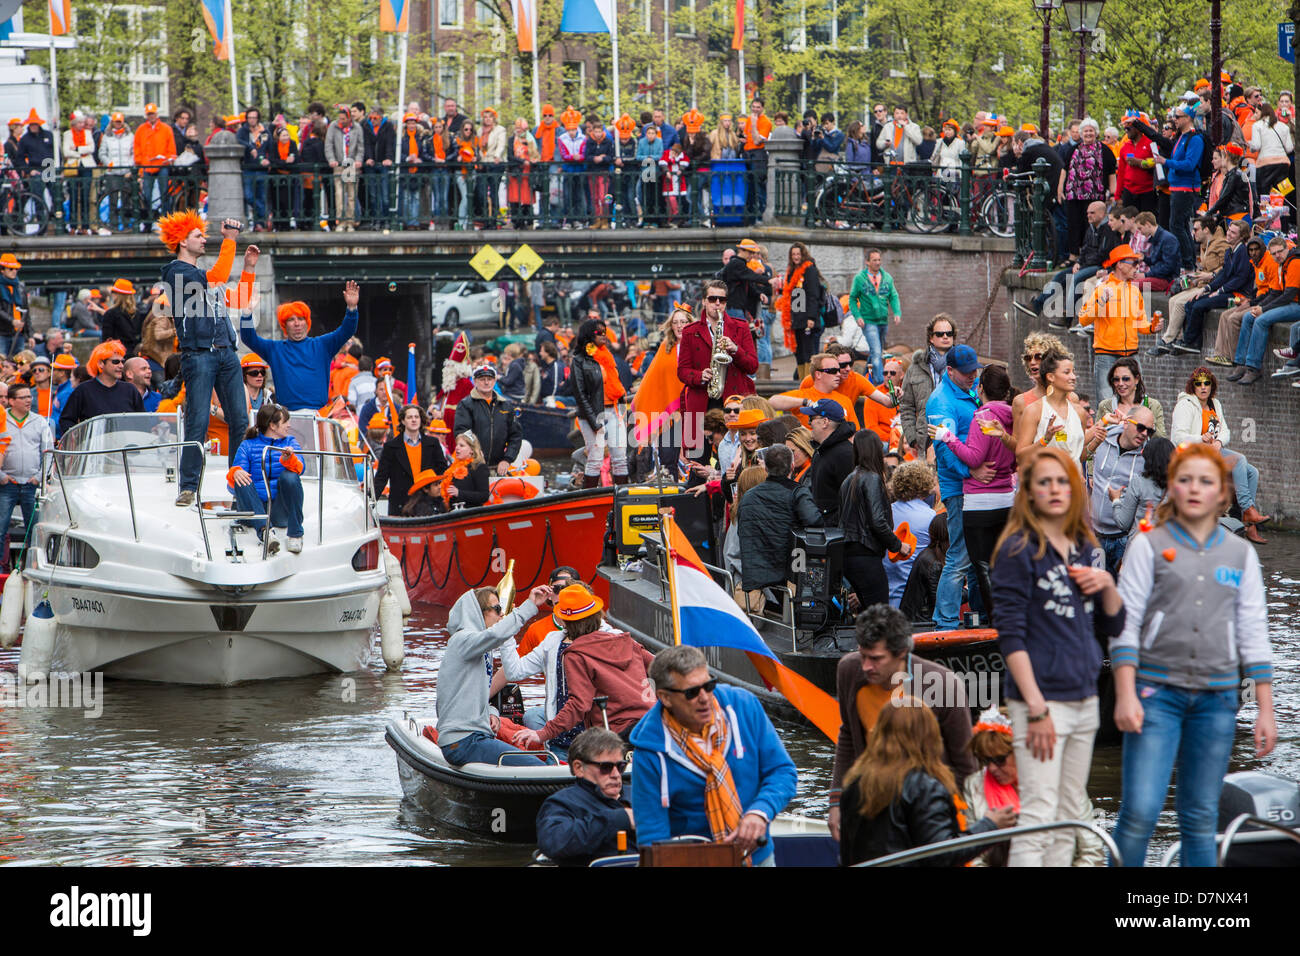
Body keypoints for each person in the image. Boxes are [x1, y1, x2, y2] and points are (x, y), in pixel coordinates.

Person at [1111, 443, 1276, 867]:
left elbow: (1253, 629)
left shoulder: (1241, 554)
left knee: (1201, 819)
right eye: (1185, 480)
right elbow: (1125, 623)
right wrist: (1126, 693)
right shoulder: (1148, 545)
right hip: (1156, 693)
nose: (1195, 489)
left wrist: (1265, 708)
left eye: (1206, 481)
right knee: (1141, 811)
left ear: (1223, 494)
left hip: (1217, 698)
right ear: (1173, 488)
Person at [990, 446, 1124, 867]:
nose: (1054, 489)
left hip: (1084, 697)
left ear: (1074, 490)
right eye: (1043, 482)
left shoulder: (1085, 547)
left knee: (1069, 818)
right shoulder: (1017, 550)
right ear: (1028, 492)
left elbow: (1114, 626)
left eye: (1062, 481)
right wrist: (1035, 708)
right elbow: (1010, 636)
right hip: (1043, 700)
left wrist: (1106, 583)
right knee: (1039, 813)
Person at [630, 644, 797, 866]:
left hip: (756, 857)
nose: (705, 698)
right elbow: (652, 836)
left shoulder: (744, 707)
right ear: (665, 698)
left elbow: (782, 772)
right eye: (692, 692)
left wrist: (759, 812)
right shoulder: (650, 751)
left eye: (709, 685)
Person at [828, 604, 977, 842]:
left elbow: (965, 764)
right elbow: (847, 734)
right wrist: (836, 801)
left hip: (927, 810)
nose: (866, 666)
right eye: (862, 655)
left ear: (901, 653)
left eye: (876, 659)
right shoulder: (848, 670)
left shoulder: (943, 684)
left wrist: (952, 820)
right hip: (872, 802)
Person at [839, 695, 1014, 867]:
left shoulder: (854, 785)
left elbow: (846, 858)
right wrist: (989, 825)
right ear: (927, 737)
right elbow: (941, 854)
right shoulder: (924, 787)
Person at [158, 211, 257, 508]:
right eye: (198, 236)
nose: (204, 239)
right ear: (181, 241)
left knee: (240, 419)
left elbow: (240, 300)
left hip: (226, 352)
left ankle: (238, 483)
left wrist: (249, 267)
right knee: (198, 421)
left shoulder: (201, 274)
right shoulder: (176, 271)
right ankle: (189, 487)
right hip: (198, 354)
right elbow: (217, 277)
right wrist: (230, 241)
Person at [511, 585, 655, 754]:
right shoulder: (626, 641)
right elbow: (662, 667)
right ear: (597, 615)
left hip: (617, 736)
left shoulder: (575, 654)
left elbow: (579, 704)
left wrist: (543, 734)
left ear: (564, 621)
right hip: (652, 722)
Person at [961, 708, 1106, 866]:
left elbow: (1092, 851)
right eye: (985, 760)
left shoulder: (1063, 782)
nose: (992, 768)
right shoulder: (974, 785)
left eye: (999, 759)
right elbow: (973, 857)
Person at [927, 363, 1015, 617]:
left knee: (980, 564)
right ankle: (989, 617)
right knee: (998, 563)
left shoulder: (984, 416)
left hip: (981, 502)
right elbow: (1017, 456)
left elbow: (974, 458)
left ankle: (993, 621)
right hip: (1006, 499)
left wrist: (948, 437)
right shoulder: (1014, 415)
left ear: (981, 388)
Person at [436, 582, 555, 767]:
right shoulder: (462, 640)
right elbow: (496, 635)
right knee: (537, 767)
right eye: (497, 609)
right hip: (464, 741)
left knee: (541, 760)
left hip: (477, 735)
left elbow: (476, 694)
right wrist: (530, 606)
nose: (501, 614)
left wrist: (491, 712)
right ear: (478, 612)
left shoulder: (480, 648)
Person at [926, 344, 991, 629]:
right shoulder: (940, 401)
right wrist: (973, 470)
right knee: (960, 556)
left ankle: (979, 615)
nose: (972, 376)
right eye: (966, 373)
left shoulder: (970, 386)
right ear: (949, 371)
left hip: (975, 485)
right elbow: (944, 449)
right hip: (960, 487)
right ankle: (945, 623)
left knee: (978, 557)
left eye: (975, 370)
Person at [1169, 367, 1268, 542]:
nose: (1202, 387)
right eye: (1198, 383)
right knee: (1239, 460)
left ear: (1212, 385)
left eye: (1206, 383)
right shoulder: (1185, 405)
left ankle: (1248, 524)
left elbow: (1225, 431)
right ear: (1192, 386)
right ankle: (1248, 510)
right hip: (1194, 453)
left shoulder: (1215, 404)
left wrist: (1218, 442)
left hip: (1212, 450)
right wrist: (1201, 438)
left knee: (1252, 472)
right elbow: (1178, 438)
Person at [239, 286, 360, 412]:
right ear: (284, 325)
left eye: (301, 318)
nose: (297, 323)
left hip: (319, 414)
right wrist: (247, 314)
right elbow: (249, 338)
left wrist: (352, 309)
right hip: (288, 416)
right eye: (291, 320)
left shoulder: (323, 345)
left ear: (307, 323)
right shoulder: (275, 349)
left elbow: (346, 331)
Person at [676, 279, 757, 456]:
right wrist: (699, 376)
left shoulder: (740, 327)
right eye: (712, 299)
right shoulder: (690, 331)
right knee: (698, 456)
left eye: (722, 300)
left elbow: (752, 366)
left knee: (738, 454)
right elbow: (682, 371)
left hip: (732, 401)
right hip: (702, 401)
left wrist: (735, 349)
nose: (717, 304)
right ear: (704, 301)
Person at [535, 728, 635, 866]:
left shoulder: (639, 796)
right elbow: (553, 842)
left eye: (620, 766)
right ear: (579, 768)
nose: (616, 774)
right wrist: (621, 818)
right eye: (606, 767)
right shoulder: (562, 803)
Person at [840, 431, 913, 610]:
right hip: (866, 554)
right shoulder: (871, 478)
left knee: (869, 612)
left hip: (850, 553)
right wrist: (897, 545)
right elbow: (878, 521)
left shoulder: (849, 479)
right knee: (880, 612)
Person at [737, 444, 822, 595]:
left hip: (757, 578)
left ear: (766, 468)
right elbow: (815, 522)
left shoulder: (749, 496)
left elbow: (743, 533)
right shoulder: (797, 492)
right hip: (791, 574)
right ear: (792, 465)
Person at [1082, 404, 1155, 574]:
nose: (1144, 434)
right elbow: (1078, 453)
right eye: (1141, 427)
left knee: (1119, 593)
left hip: (1123, 538)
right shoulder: (1103, 437)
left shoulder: (1147, 456)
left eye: (1149, 431)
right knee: (1095, 589)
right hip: (1095, 535)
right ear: (1126, 423)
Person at [227, 403, 307, 553]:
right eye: (285, 422)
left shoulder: (290, 442)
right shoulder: (247, 446)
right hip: (252, 510)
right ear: (273, 426)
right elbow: (233, 483)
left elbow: (301, 468)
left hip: (279, 511)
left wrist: (288, 459)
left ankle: (295, 534)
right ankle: (266, 532)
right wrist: (235, 472)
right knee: (240, 475)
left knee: (290, 476)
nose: (289, 425)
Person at [1075, 244, 1146, 404]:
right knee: (1106, 403)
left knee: (1137, 401)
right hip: (1106, 354)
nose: (1137, 267)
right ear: (1120, 264)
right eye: (1133, 263)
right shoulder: (1102, 289)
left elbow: (1141, 324)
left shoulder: (1135, 291)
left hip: (1131, 354)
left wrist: (1153, 326)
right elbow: (1083, 319)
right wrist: (1101, 301)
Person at [568, 317, 628, 488]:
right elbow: (580, 395)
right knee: (595, 457)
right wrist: (595, 422)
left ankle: (620, 497)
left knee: (620, 458)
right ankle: (588, 498)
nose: (604, 335)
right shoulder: (579, 360)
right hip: (592, 414)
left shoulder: (608, 356)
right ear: (588, 335)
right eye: (599, 332)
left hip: (614, 411)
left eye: (605, 331)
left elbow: (617, 387)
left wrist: (622, 411)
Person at [1007, 352, 1085, 469]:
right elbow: (1021, 456)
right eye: (1067, 372)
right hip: (1045, 482)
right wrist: (1045, 440)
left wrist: (1099, 434)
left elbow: (1080, 455)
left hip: (1073, 484)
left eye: (1073, 372)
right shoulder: (1034, 410)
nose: (1073, 377)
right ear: (1051, 377)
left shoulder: (1079, 411)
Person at [0, 383, 52, 553]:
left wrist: (40, 476)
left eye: (29, 396)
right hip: (7, 484)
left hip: (32, 484)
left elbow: (48, 452)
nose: (28, 400)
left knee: (35, 531)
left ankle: (31, 565)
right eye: (23, 397)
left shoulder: (40, 421)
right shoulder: (2, 419)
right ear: (11, 401)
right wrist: (1, 476)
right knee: (1, 529)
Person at [898, 314, 956, 458]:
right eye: (940, 334)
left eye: (949, 333)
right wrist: (912, 437)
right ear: (931, 337)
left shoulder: (962, 365)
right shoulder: (915, 367)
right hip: (926, 439)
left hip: (956, 434)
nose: (945, 337)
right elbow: (906, 406)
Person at [375, 403, 449, 513]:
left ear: (421, 420)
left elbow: (442, 470)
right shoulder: (390, 447)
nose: (413, 420)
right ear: (403, 421)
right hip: (401, 503)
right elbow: (381, 477)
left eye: (416, 417)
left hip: (428, 503)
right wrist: (369, 502)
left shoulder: (433, 443)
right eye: (409, 417)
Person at [58, 341, 143, 434]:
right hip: (96, 446)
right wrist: (79, 438)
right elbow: (66, 420)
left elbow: (141, 420)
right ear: (101, 363)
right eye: (116, 362)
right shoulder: (83, 390)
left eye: (122, 362)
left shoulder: (130, 390)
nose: (121, 366)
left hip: (125, 445)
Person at [453, 364, 522, 476]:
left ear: (494, 381)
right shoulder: (466, 404)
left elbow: (516, 436)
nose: (486, 382)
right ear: (475, 381)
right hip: (473, 466)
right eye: (482, 379)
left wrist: (507, 459)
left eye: (489, 379)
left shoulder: (506, 406)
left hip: (498, 468)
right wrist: (475, 451)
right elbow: (462, 432)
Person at [847, 248, 901, 383]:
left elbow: (893, 296)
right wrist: (857, 316)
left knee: (875, 352)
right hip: (868, 321)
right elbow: (852, 299)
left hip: (883, 321)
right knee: (877, 352)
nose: (877, 263)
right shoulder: (860, 279)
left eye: (879, 260)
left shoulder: (887, 278)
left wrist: (897, 312)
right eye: (874, 260)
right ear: (867, 262)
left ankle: (864, 378)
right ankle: (880, 384)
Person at [803, 398, 856, 524]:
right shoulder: (821, 450)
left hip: (837, 534)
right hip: (825, 529)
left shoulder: (845, 454)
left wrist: (830, 523)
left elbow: (852, 501)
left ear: (825, 422)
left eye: (811, 419)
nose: (809, 424)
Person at [777, 242, 824, 381]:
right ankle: (802, 381)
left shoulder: (809, 269)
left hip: (806, 317)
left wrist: (811, 317)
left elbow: (813, 295)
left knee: (808, 351)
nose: (796, 257)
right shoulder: (791, 271)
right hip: (795, 316)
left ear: (803, 254)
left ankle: (809, 381)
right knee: (798, 351)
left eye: (798, 254)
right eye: (793, 255)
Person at [1112, 436, 1173, 539]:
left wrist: (1115, 500)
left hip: (1140, 542)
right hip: (1165, 546)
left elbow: (1123, 523)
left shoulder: (1138, 482)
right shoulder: (1178, 487)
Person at [1096, 357, 1165, 437]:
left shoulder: (1152, 405)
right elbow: (1095, 438)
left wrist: (1146, 425)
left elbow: (1161, 439)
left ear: (1137, 379)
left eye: (1126, 379)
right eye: (1116, 379)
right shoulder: (1105, 406)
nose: (1120, 383)